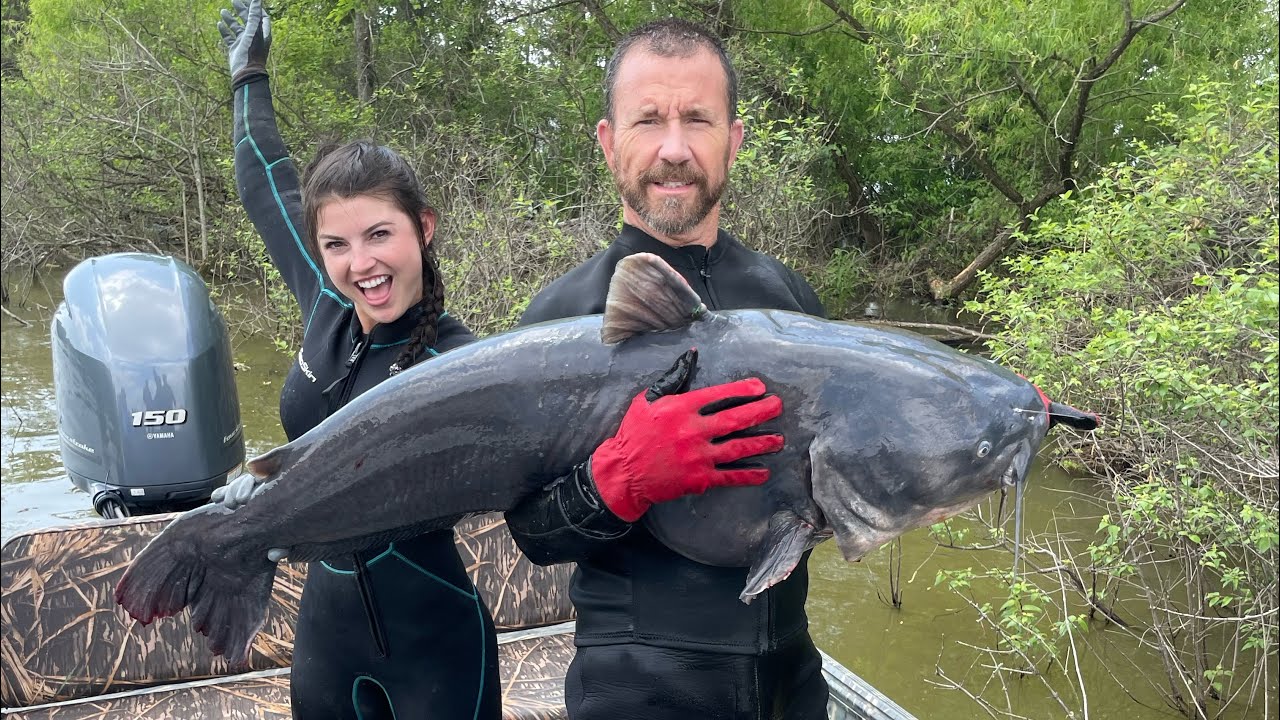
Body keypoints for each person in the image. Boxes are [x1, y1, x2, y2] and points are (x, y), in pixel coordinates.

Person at [504, 19, 832, 720]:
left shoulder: (793, 303)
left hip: (792, 686)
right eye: (648, 120)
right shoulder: (558, 319)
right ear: (607, 142)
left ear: (734, 140)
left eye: (698, 120)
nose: (674, 149)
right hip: (634, 693)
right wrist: (617, 480)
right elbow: (531, 535)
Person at [216, 2, 499, 717]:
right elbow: (263, 181)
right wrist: (248, 74)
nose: (360, 264)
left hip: (440, 652)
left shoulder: (462, 365)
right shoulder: (324, 304)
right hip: (325, 642)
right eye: (337, 244)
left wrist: (280, 502)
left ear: (423, 228)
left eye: (380, 235)